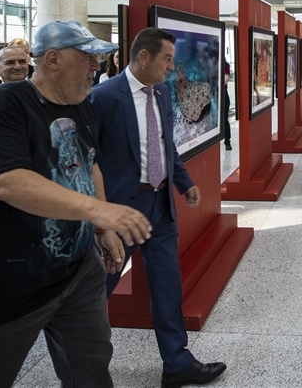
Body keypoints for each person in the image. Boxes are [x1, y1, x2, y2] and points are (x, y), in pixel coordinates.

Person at [0, 20, 152, 388]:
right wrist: (100, 211)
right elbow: (9, 183)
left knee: (91, 368)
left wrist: (102, 228)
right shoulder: (0, 104)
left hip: (77, 269)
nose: (96, 68)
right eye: (88, 59)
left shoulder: (80, 104)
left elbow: (90, 163)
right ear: (52, 59)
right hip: (3, 279)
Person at [90, 28, 227, 388]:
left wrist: (184, 183)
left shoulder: (163, 93)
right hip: (121, 212)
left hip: (161, 207)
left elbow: (167, 147)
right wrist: (101, 219)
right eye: (167, 58)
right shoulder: (104, 97)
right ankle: (83, 369)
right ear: (145, 57)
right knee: (95, 292)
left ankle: (177, 363)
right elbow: (89, 162)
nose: (172, 66)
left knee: (167, 287)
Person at [221, 58, 232, 150]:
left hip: (223, 93)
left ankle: (227, 142)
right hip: (213, 93)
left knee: (224, 119)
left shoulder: (226, 65)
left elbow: (225, 80)